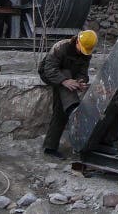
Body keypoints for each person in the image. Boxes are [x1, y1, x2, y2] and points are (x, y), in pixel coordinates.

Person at [38, 30, 98, 158]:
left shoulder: (86, 54)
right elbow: (49, 69)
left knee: (60, 109)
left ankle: (50, 148)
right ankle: (74, 111)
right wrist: (65, 81)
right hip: (51, 75)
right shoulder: (60, 47)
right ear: (77, 41)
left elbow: (83, 72)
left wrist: (80, 82)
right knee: (65, 74)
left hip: (68, 78)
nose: (83, 52)